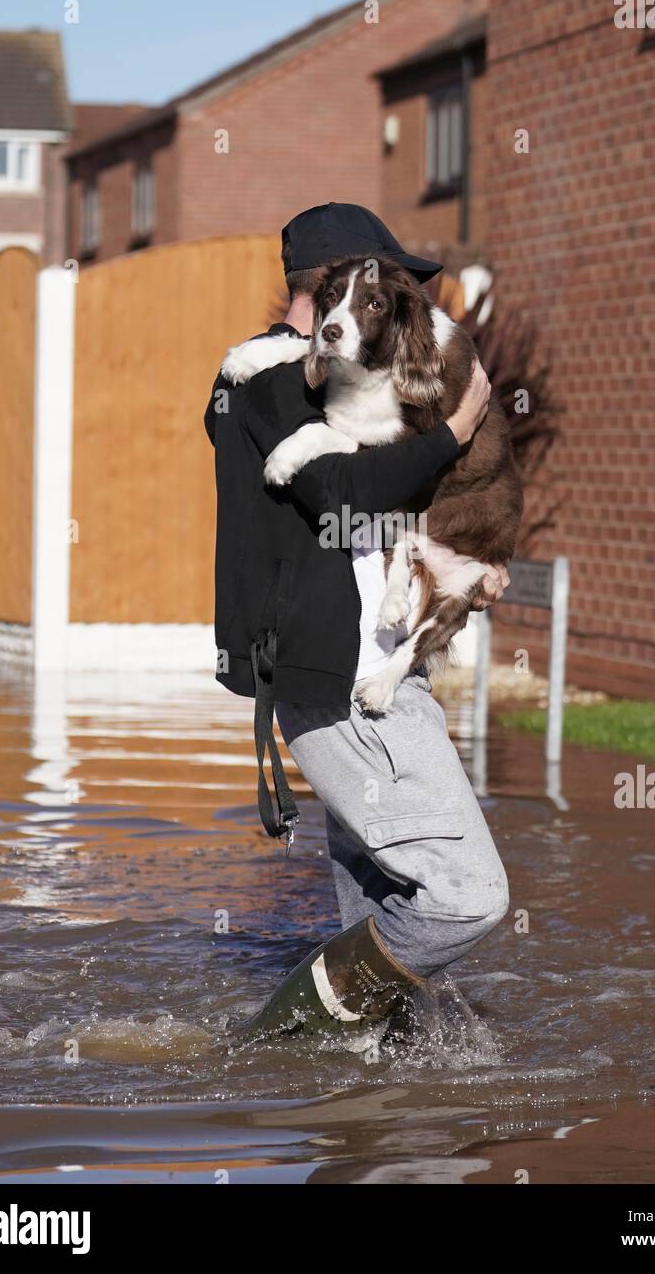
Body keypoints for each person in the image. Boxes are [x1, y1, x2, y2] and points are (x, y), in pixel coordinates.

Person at [204, 203, 511, 1044]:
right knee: (466, 897)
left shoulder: (337, 386)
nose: (400, 308)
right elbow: (342, 491)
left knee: (391, 905)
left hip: (369, 670)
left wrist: (468, 564)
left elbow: (393, 506)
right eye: (385, 289)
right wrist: (455, 428)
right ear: (337, 287)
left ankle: (373, 1099)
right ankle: (280, 1042)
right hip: (338, 683)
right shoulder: (264, 382)